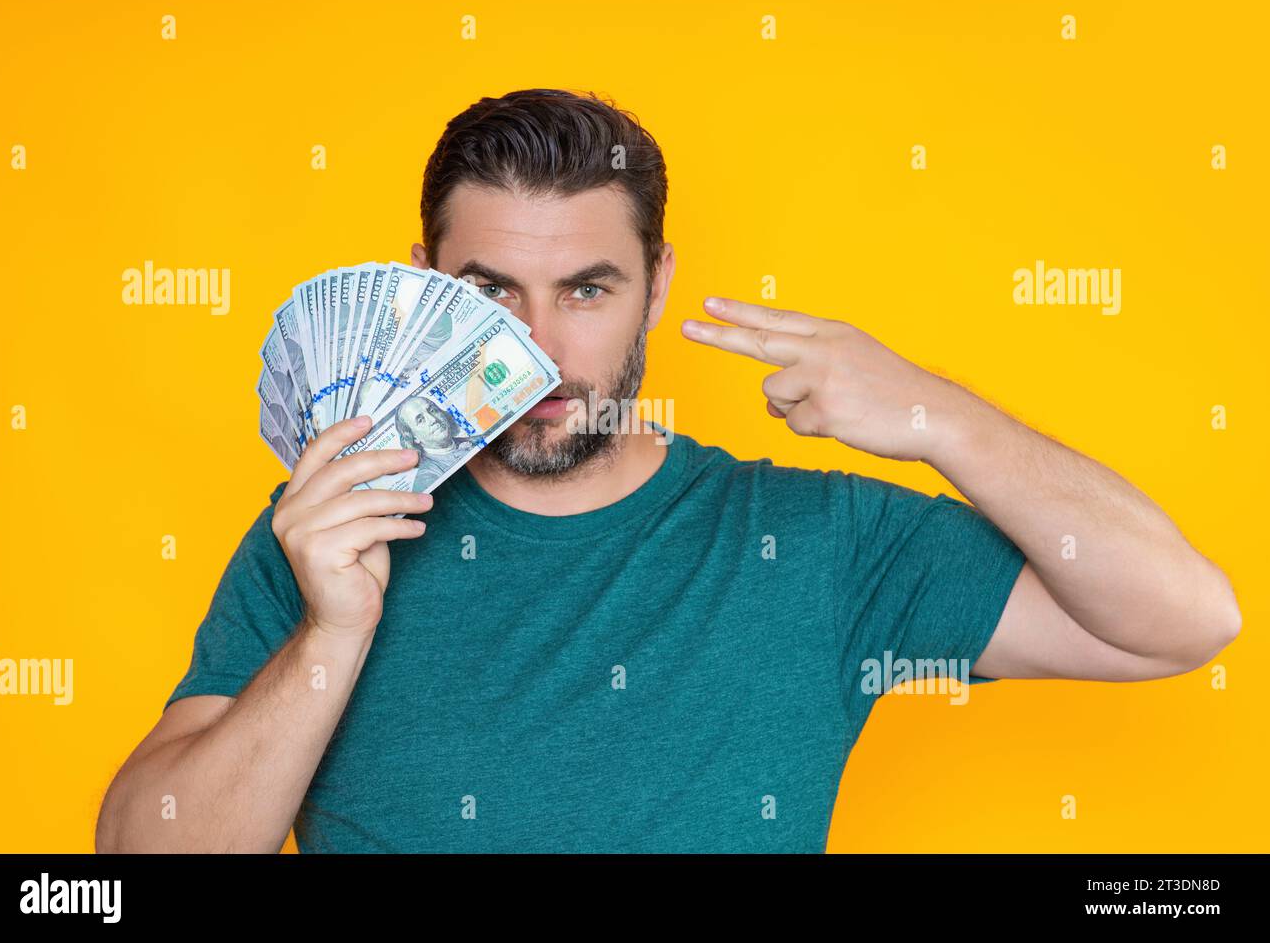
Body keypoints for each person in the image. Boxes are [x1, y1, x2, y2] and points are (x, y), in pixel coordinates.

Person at [96, 88, 1241, 853]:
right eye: (491, 294)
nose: (537, 349)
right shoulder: (332, 521)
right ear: (422, 286)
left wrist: (936, 413)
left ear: (657, 281)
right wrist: (329, 635)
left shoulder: (815, 541)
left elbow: (1181, 619)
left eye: (586, 289)